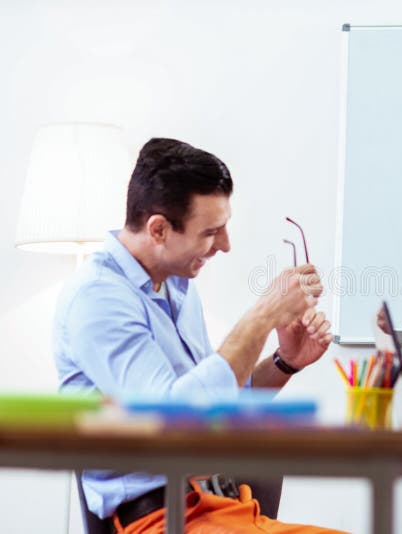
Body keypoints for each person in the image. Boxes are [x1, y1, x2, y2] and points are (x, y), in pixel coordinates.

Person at [54, 138, 342, 533]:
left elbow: (214, 404)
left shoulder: (178, 286)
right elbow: (177, 425)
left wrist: (284, 362)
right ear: (159, 229)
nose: (225, 245)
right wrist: (263, 315)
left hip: (221, 506)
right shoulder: (98, 299)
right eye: (211, 232)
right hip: (163, 519)